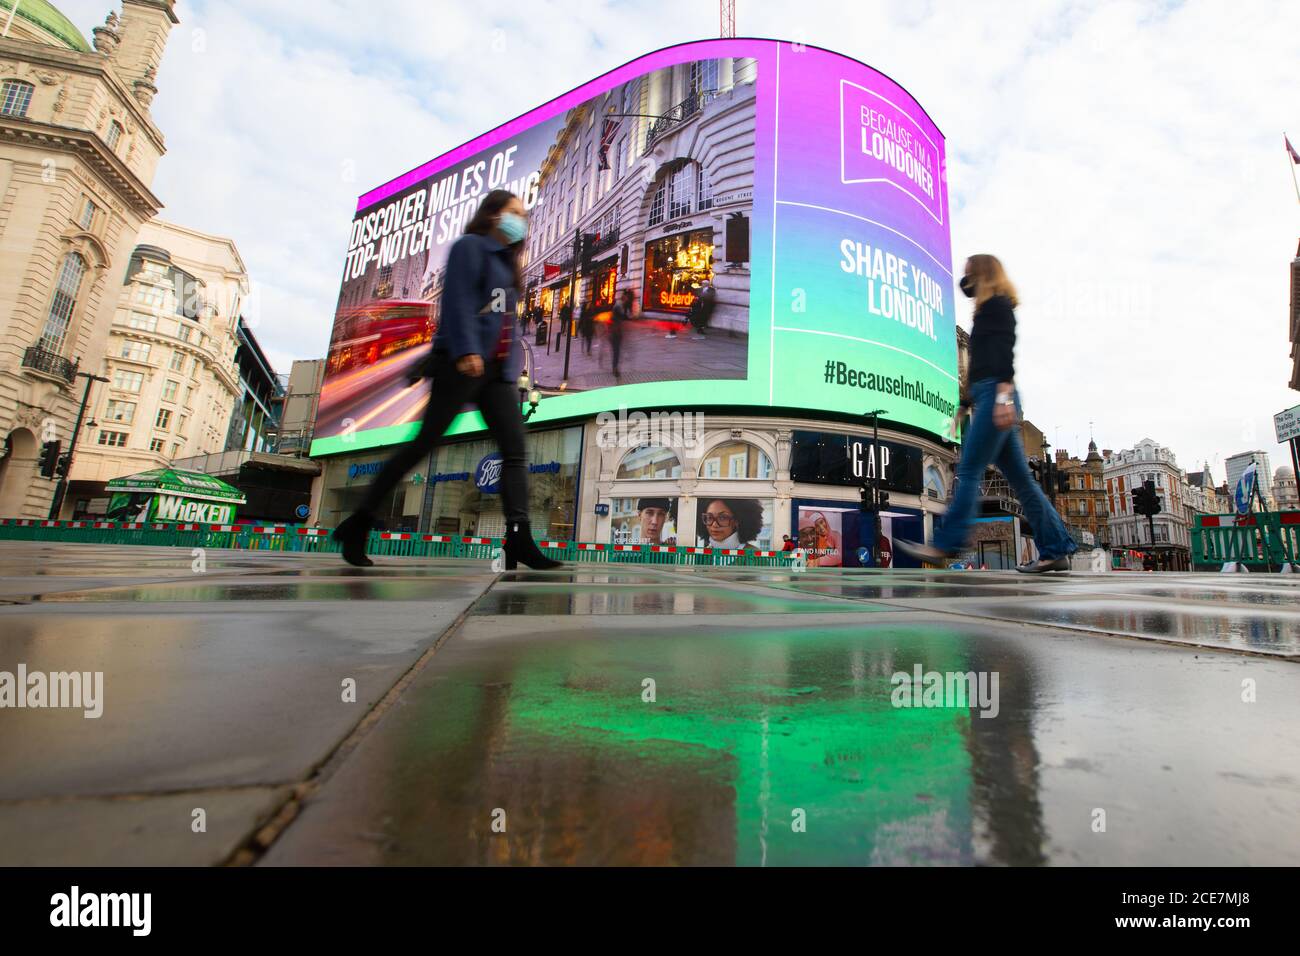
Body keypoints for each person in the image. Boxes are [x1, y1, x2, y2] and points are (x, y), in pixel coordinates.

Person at [331, 190, 562, 571]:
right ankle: (358, 523)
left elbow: (499, 315)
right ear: (492, 215)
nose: (520, 220)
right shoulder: (469, 248)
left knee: (516, 450)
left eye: (523, 215)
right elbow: (456, 302)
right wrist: (468, 349)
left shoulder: (506, 266)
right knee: (423, 445)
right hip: (463, 363)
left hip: (497, 374)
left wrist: (508, 367)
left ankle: (519, 538)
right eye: (513, 212)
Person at [896, 254, 1077, 573]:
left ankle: (945, 543)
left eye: (968, 274)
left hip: (997, 393)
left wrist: (1004, 397)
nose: (964, 282)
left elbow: (1003, 355)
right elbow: (977, 368)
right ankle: (1057, 549)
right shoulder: (986, 312)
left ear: (982, 274)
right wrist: (963, 408)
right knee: (1022, 482)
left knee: (967, 471)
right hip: (988, 393)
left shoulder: (998, 307)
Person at [697, 497, 764, 549]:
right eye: (709, 517)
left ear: (737, 521)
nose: (714, 525)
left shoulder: (756, 556)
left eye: (722, 518)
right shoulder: (701, 555)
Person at [610, 289, 632, 379]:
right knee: (616, 352)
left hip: (616, 333)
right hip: (615, 333)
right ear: (624, 298)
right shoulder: (618, 307)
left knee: (617, 352)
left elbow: (622, 318)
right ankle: (615, 369)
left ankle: (615, 368)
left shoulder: (619, 306)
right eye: (626, 298)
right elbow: (621, 317)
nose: (627, 300)